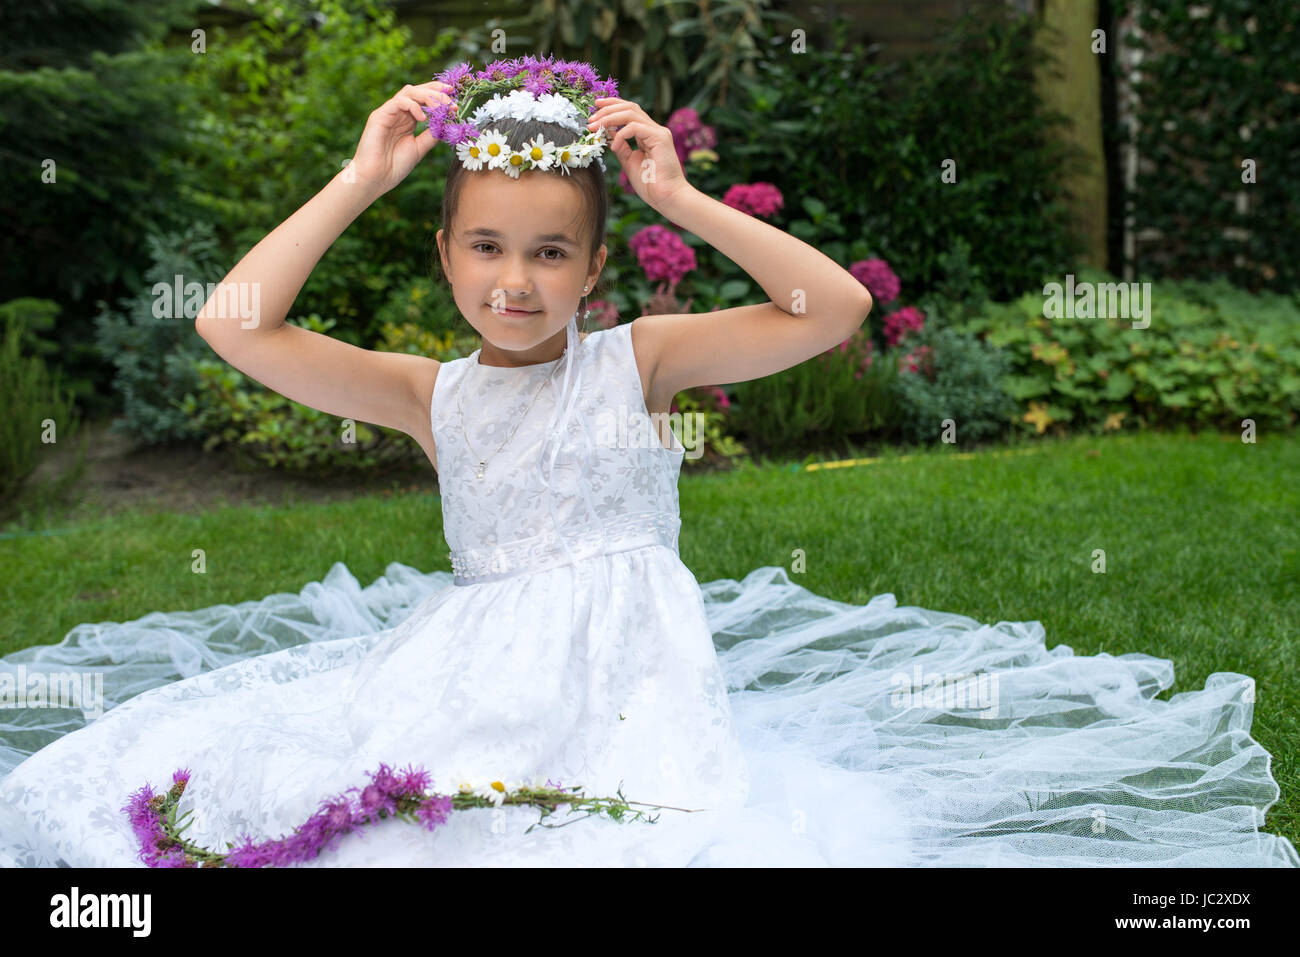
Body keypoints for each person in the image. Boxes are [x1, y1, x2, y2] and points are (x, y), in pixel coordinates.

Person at [1, 55, 1295, 867]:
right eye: (488, 248)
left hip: (631, 685)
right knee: (415, 820)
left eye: (551, 251)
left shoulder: (640, 360)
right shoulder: (426, 395)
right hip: (473, 676)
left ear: (594, 267)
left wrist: (678, 198)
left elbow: (830, 309)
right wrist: (359, 179)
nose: (517, 280)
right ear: (445, 258)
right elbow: (233, 322)